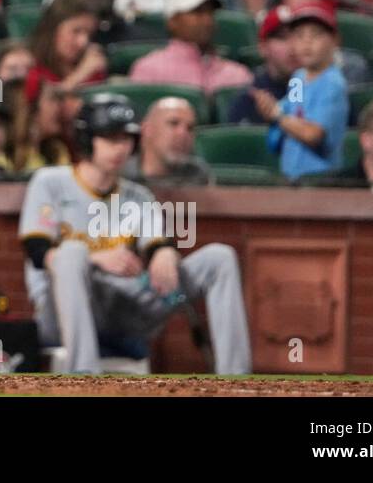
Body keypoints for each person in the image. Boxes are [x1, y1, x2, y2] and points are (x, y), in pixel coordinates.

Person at [19, 93, 251, 374]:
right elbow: (37, 253)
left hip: (124, 309)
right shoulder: (51, 182)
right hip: (60, 310)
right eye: (109, 138)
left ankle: (235, 378)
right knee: (72, 253)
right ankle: (82, 375)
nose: (119, 148)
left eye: (125, 139)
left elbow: (157, 243)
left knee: (219, 257)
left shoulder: (138, 195)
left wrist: (165, 254)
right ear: (86, 139)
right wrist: (97, 258)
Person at [255, 1, 349, 179]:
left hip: (321, 178)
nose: (307, 42)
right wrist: (270, 107)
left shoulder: (333, 83)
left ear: (335, 40)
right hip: (291, 174)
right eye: (299, 35)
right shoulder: (298, 77)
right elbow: (293, 109)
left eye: (316, 35)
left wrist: (277, 115)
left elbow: (313, 134)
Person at [130, 0, 252, 93]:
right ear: (173, 21)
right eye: (197, 12)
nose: (207, 20)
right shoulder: (149, 70)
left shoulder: (237, 75)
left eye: (210, 13)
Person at [26, 0, 108, 92]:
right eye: (76, 31)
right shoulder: (29, 66)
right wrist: (80, 75)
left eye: (89, 34)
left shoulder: (91, 67)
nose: (83, 42)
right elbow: (44, 102)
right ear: (53, 29)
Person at [121, 97, 212, 185]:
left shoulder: (197, 175)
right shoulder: (119, 173)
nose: (183, 134)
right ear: (147, 129)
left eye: (190, 128)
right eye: (173, 123)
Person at [227, 7, 296, 124]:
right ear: (262, 47)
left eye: (298, 36)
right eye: (282, 38)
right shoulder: (249, 100)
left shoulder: (320, 90)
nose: (292, 46)